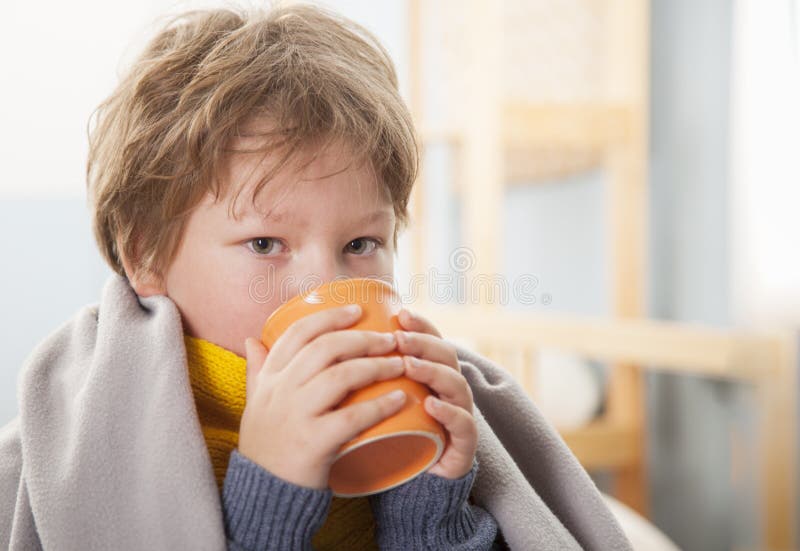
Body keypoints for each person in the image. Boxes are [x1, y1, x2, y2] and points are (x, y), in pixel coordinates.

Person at [0, 4, 632, 550]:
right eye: (266, 243)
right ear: (146, 258)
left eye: (361, 243)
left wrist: (430, 511)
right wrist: (273, 489)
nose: (321, 287)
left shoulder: (435, 392)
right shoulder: (86, 438)